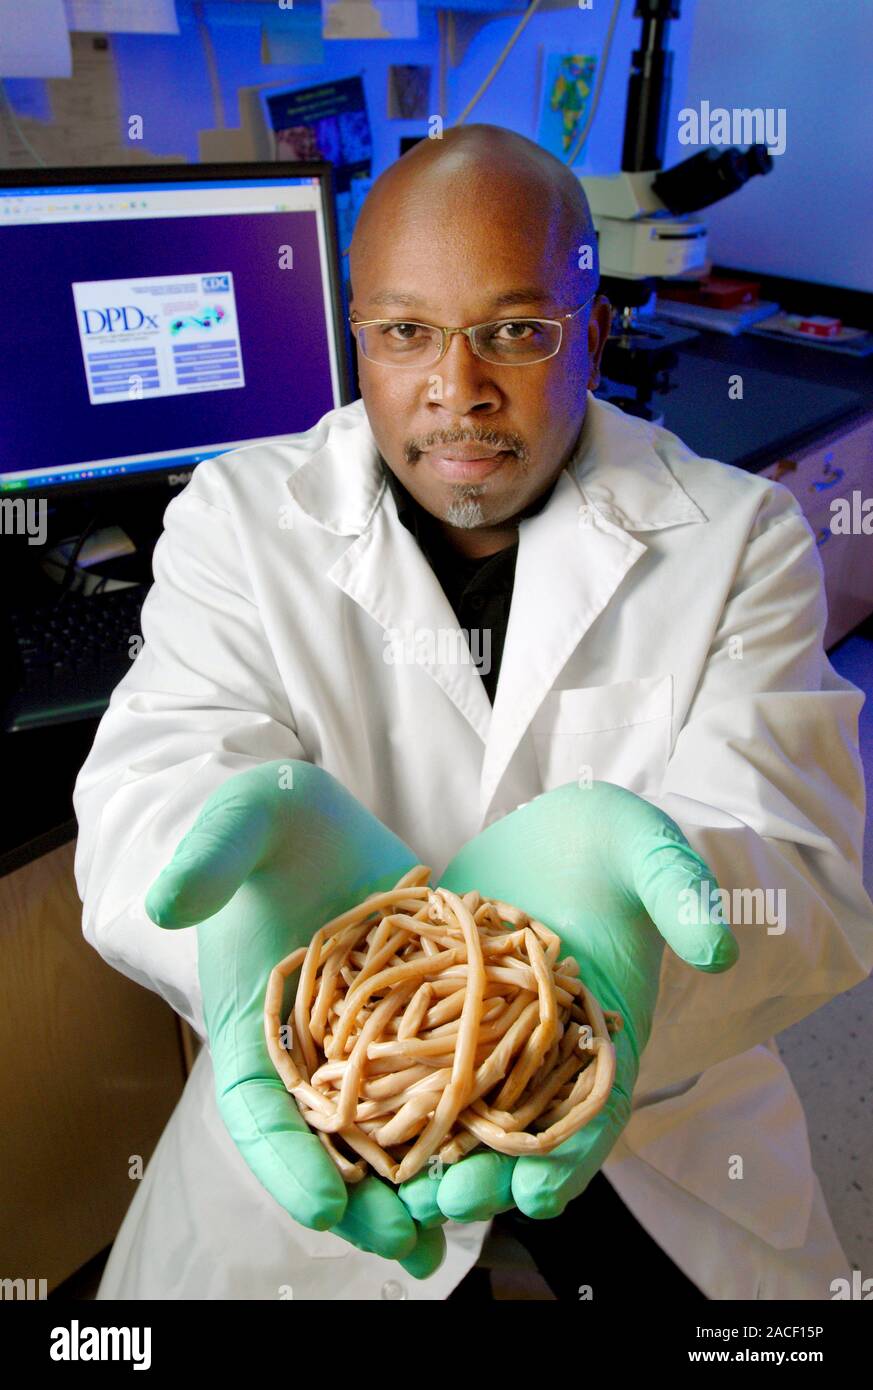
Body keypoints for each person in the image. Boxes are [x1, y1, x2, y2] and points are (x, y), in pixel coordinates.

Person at [73, 124, 873, 1301]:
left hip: (654, 1127)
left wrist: (632, 931)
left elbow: (805, 874)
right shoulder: (237, 520)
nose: (458, 388)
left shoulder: (739, 537)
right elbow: (148, 792)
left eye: (516, 330)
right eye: (406, 333)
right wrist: (237, 903)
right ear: (360, 342)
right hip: (326, 1112)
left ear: (594, 334)